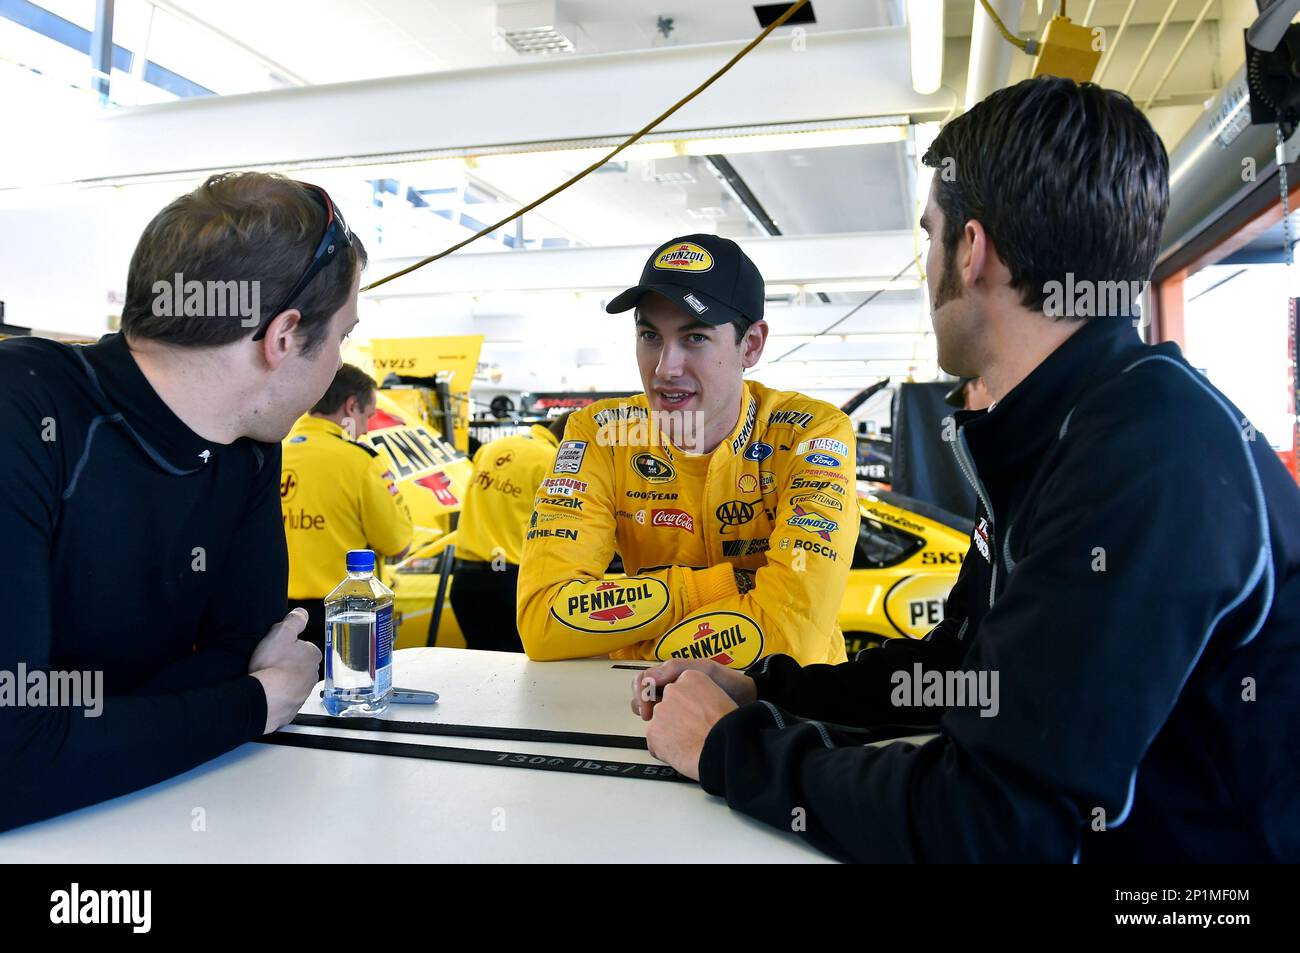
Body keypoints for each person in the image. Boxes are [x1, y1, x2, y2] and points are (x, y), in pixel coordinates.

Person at [632, 77, 1300, 862]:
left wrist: (729, 749)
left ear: (972, 250)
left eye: (930, 234)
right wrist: (770, 689)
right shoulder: (1074, 430)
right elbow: (960, 669)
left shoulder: (1147, 456)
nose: (927, 266)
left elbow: (993, 822)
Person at [0, 171, 366, 832]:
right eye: (344, 335)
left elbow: (249, 646)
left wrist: (82, 731)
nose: (340, 357)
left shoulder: (248, 442)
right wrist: (251, 702)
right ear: (283, 337)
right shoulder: (21, 411)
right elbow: (9, 763)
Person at [517, 234, 859, 667]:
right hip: (641, 708)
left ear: (750, 344)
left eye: (694, 337)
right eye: (649, 336)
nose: (665, 368)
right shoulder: (602, 433)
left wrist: (637, 645)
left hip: (783, 714)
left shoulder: (811, 432)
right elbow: (542, 623)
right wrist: (726, 586)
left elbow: (790, 642)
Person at [283, 362, 413, 665]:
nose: (366, 428)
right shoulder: (361, 462)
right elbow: (396, 543)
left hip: (272, 616)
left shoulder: (273, 452)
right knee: (350, 705)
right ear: (351, 406)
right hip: (344, 615)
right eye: (367, 416)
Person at [450, 413, 570, 652]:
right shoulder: (554, 460)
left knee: (480, 671)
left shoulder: (493, 447)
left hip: (464, 583)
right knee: (514, 674)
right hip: (508, 586)